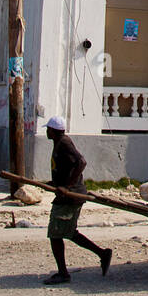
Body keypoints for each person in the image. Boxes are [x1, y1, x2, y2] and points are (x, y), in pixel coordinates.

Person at [43, 116, 111, 285]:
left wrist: (67, 186)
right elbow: (66, 167)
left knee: (55, 233)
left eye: (48, 129)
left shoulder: (64, 143)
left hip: (70, 196)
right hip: (67, 194)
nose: (46, 132)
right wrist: (56, 183)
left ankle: (63, 273)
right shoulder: (60, 143)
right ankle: (102, 254)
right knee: (69, 232)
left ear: (53, 131)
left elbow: (81, 162)